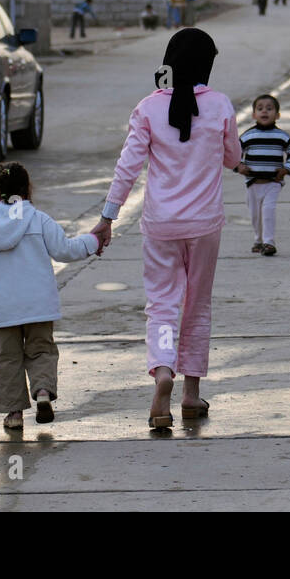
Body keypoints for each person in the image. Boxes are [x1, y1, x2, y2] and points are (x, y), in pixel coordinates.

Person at [93, 28, 242, 429]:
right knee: (198, 304)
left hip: (160, 225)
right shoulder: (220, 105)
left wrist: (108, 217)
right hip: (205, 223)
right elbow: (232, 157)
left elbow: (127, 168)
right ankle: (191, 394)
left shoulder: (147, 108)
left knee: (162, 305)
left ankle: (162, 373)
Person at [0, 162, 101, 430]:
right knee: (41, 350)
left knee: (8, 359)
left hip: (3, 310)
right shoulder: (38, 219)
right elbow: (65, 250)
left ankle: (14, 414)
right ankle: (42, 392)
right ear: (28, 190)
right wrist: (94, 241)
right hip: (39, 304)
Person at [237, 94, 290, 256]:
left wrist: (286, 168)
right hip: (253, 182)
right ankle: (258, 240)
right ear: (254, 115)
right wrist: (239, 166)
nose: (265, 112)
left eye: (269, 109)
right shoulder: (247, 136)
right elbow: (234, 154)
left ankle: (269, 242)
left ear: (277, 115)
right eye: (260, 108)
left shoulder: (282, 136)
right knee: (255, 215)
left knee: (268, 211)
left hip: (273, 182)